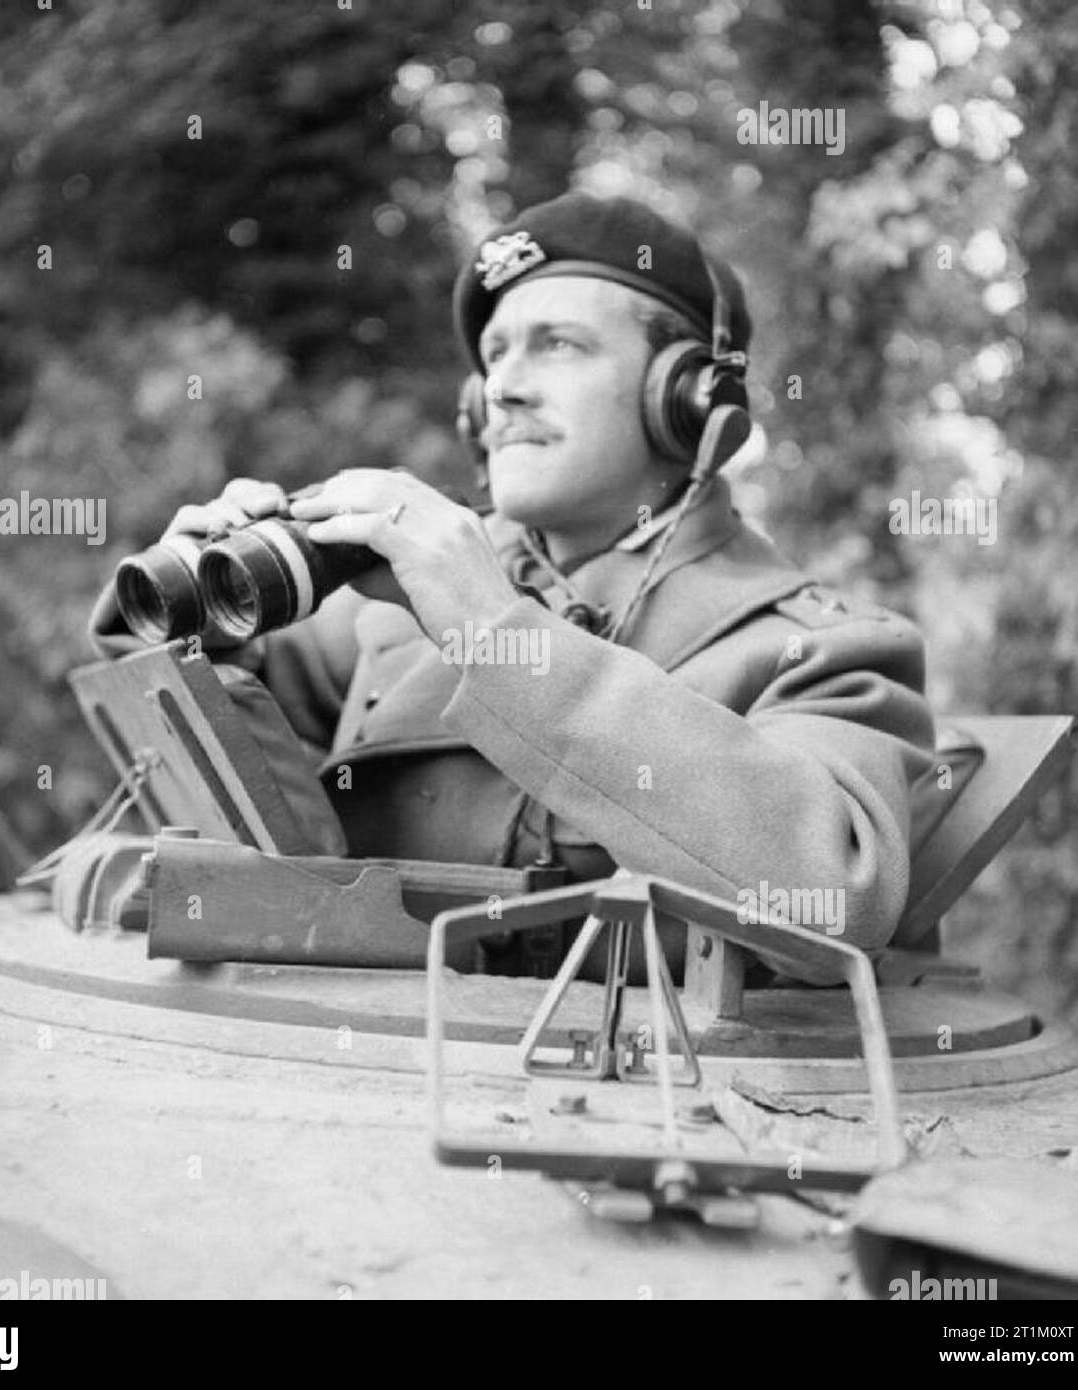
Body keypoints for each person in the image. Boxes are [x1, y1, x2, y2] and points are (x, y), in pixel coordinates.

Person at [90, 191, 936, 985]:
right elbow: (220, 764)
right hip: (348, 1088)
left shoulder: (815, 646)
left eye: (557, 344)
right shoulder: (388, 615)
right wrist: (192, 623)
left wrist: (496, 633)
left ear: (684, 396)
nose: (503, 386)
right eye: (493, 355)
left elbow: (837, 890)